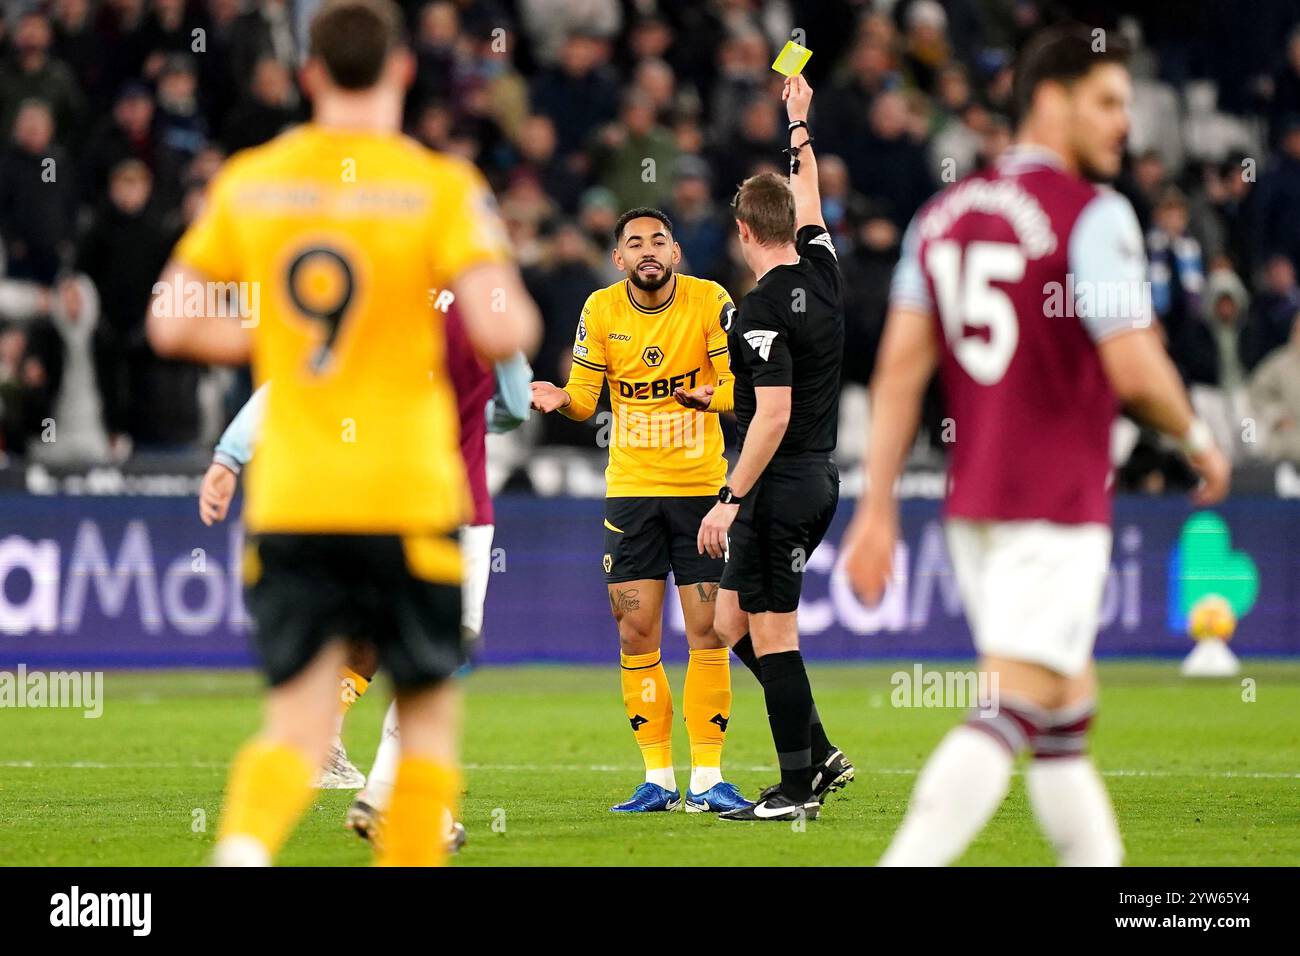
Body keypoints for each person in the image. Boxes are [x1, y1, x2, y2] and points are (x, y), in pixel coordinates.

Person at [147, 0, 540, 866]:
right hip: (411, 498)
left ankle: (243, 852)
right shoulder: (441, 187)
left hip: (296, 500)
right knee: (430, 717)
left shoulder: (252, 178)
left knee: (295, 724)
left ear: (307, 75)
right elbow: (505, 329)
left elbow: (170, 323)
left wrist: (280, 341)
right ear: (403, 72)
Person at [841, 24, 1230, 866]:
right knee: (1013, 708)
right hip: (1055, 507)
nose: (1126, 124)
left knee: (1064, 716)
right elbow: (1133, 364)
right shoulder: (1094, 214)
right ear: (1050, 100)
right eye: (1108, 102)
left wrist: (875, 508)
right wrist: (1199, 435)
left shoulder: (940, 216)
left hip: (973, 505)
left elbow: (900, 373)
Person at [198, 306, 532, 851]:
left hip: (361, 510)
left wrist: (230, 455)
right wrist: (478, 415)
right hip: (453, 512)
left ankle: (249, 842)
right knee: (433, 670)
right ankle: (387, 797)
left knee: (318, 683)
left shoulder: (370, 297)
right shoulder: (484, 311)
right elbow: (516, 405)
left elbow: (287, 381)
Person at [529, 207, 752, 814]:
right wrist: (559, 399)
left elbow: (742, 387)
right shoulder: (600, 310)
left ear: (676, 253)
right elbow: (583, 400)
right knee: (636, 633)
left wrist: (712, 397)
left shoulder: (710, 301)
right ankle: (658, 778)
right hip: (631, 493)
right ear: (619, 259)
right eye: (635, 243)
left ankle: (707, 779)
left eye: (659, 240)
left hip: (701, 492)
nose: (648, 249)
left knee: (708, 633)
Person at [684, 74, 854, 823]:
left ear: (744, 233)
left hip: (780, 483)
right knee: (728, 625)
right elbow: (810, 195)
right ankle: (817, 751)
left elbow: (774, 414)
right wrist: (799, 122)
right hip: (814, 477)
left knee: (773, 634)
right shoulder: (823, 270)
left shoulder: (755, 307)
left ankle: (796, 788)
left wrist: (728, 497)